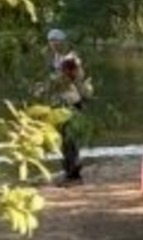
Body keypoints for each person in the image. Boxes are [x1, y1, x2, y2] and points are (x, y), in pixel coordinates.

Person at [44, 29, 91, 183]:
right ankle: (70, 171)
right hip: (60, 101)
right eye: (51, 40)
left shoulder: (70, 59)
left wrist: (48, 86)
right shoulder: (57, 58)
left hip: (71, 101)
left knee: (69, 138)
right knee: (63, 138)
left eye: (57, 40)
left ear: (64, 41)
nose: (53, 43)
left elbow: (70, 79)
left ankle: (72, 171)